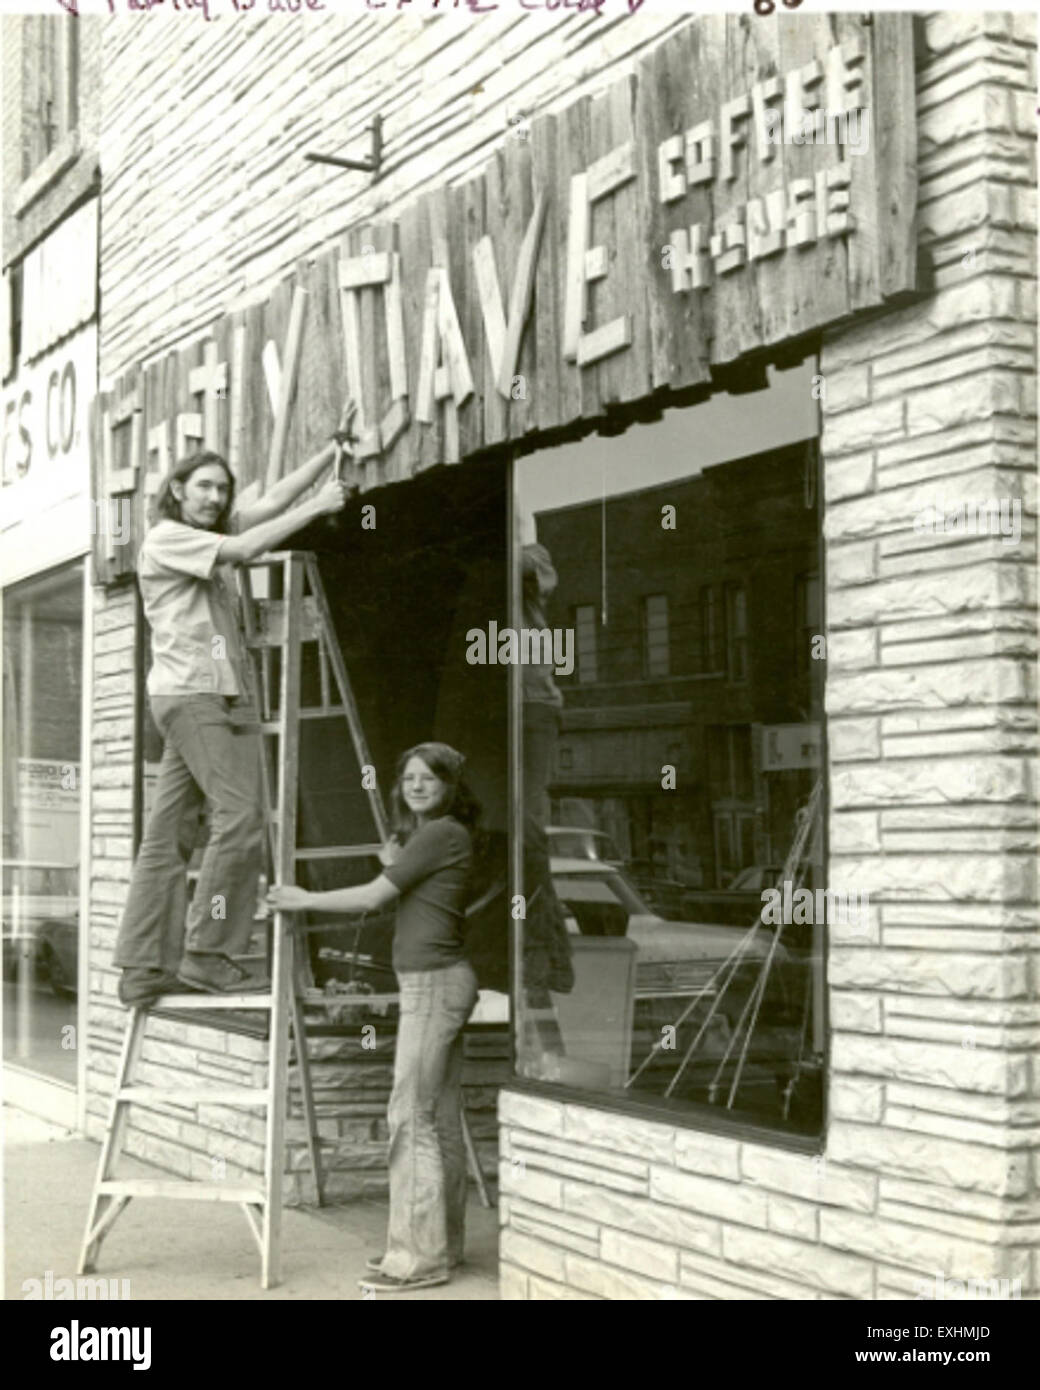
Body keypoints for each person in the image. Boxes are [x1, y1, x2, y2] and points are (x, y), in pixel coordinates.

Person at [114, 403, 358, 1007]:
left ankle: (142, 967)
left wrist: (329, 453)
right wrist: (321, 507)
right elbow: (247, 547)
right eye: (204, 486)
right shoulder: (168, 537)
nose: (215, 497)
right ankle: (207, 953)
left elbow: (269, 502)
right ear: (177, 490)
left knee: (168, 835)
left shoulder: (206, 534)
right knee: (242, 817)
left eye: (222, 489)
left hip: (213, 695)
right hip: (197, 695)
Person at [268, 742, 480, 1292]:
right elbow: (412, 892)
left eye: (429, 778)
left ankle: (416, 1259)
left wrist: (300, 899)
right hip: (443, 982)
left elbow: (370, 899)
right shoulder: (440, 837)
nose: (417, 786)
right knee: (438, 1118)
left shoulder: (439, 833)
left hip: (432, 986)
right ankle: (442, 1246)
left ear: (450, 785)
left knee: (410, 1117)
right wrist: (395, 863)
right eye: (408, 778)